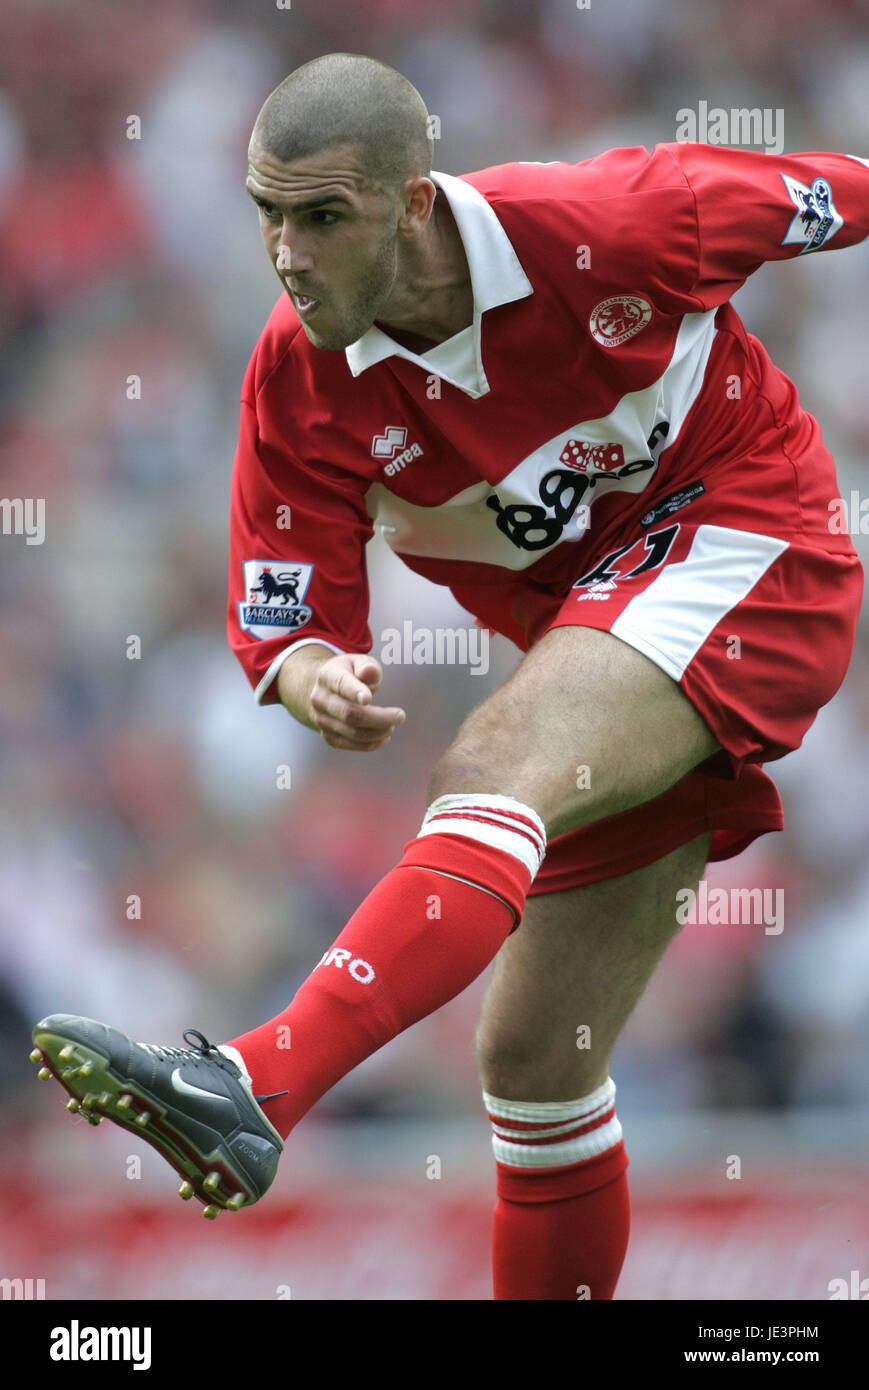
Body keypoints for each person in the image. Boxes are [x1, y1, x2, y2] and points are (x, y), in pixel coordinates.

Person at [32, 53, 866, 1300]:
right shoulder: (293, 378)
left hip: (752, 543)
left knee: (489, 768)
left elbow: (837, 190)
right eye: (267, 214)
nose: (285, 252)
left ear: (413, 202)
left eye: (322, 216)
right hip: (603, 636)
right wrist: (309, 674)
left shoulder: (619, 219)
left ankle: (253, 1082)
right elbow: (288, 602)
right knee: (535, 1067)